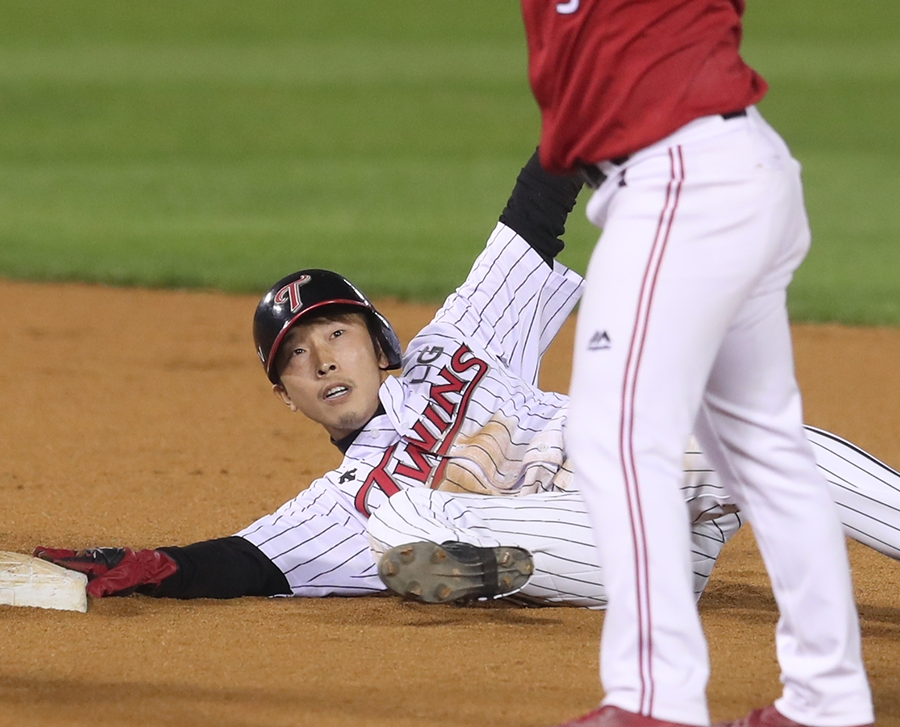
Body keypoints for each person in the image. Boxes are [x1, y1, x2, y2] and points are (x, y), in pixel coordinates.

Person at [318, 0, 874, 727]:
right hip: (708, 178)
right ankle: (826, 699)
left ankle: (657, 699)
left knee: (625, 430)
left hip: (685, 179)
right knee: (758, 447)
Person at [36, 157, 900, 623]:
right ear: (288, 396)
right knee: (399, 521)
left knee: (751, 436)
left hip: (645, 480)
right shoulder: (336, 503)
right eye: (294, 357)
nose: (322, 360)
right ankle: (479, 571)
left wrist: (578, 121)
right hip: (608, 559)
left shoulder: (460, 341)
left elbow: (533, 214)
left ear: (377, 341)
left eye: (334, 333)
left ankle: (474, 572)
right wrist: (150, 567)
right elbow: (239, 561)